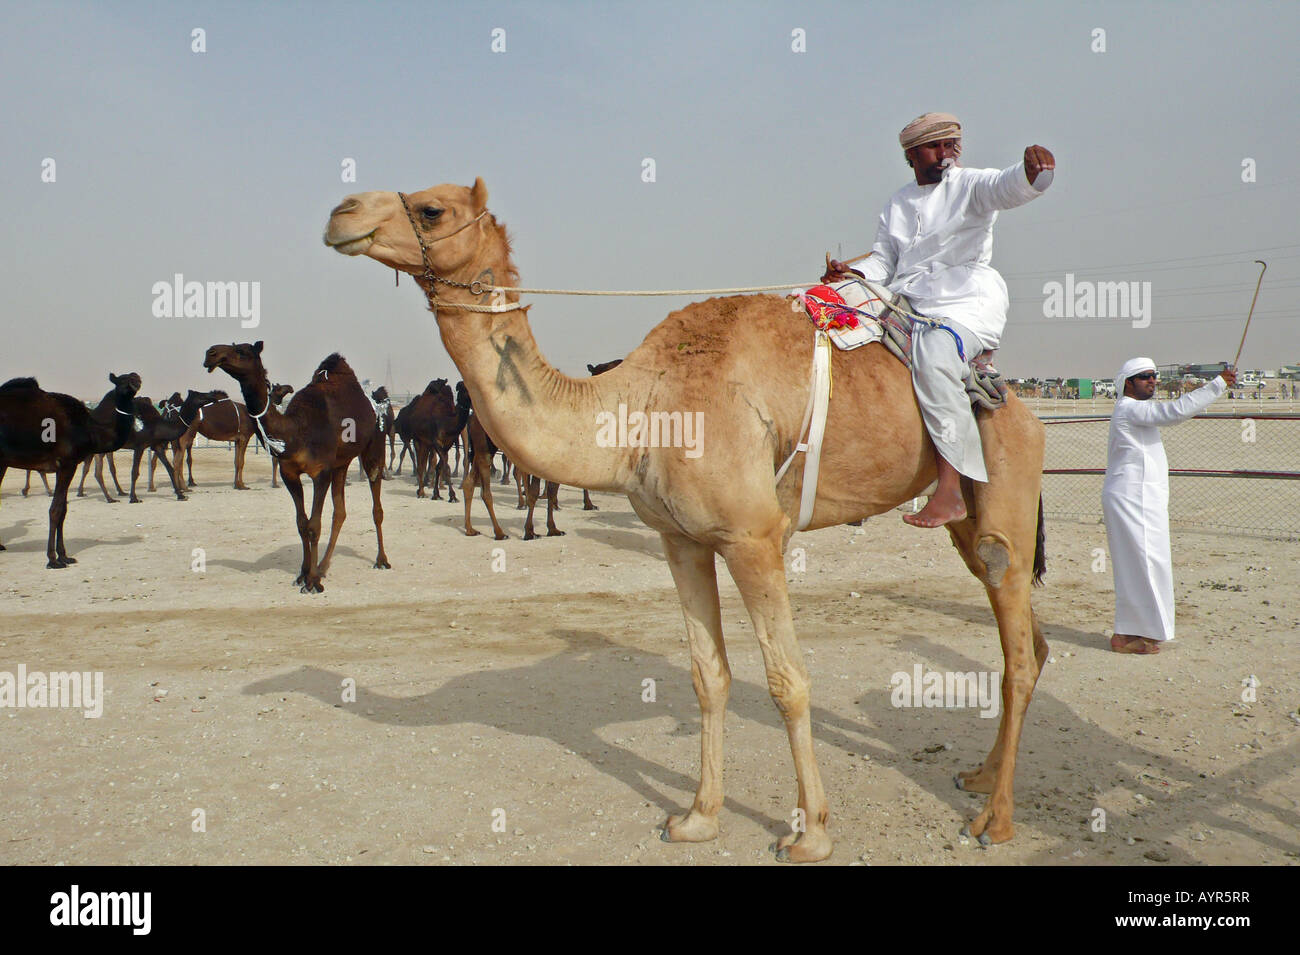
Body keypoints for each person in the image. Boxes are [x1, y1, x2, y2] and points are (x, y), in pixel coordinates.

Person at [822, 112, 1055, 527]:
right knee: (832, 308)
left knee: (934, 355)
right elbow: (883, 260)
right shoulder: (897, 203)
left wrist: (1033, 173)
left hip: (963, 302)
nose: (946, 154)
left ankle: (949, 488)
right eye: (935, 147)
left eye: (952, 146)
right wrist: (852, 277)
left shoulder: (969, 185)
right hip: (908, 299)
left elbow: (1006, 186)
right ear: (911, 155)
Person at [1103, 358, 1237, 654]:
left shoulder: (1136, 411)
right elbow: (1173, 411)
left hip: (1140, 499)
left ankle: (1134, 632)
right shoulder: (1129, 408)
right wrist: (1216, 385)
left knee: (1144, 564)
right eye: (1144, 377)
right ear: (1128, 382)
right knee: (1145, 564)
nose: (1152, 380)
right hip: (1132, 499)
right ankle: (1127, 635)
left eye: (1154, 376)